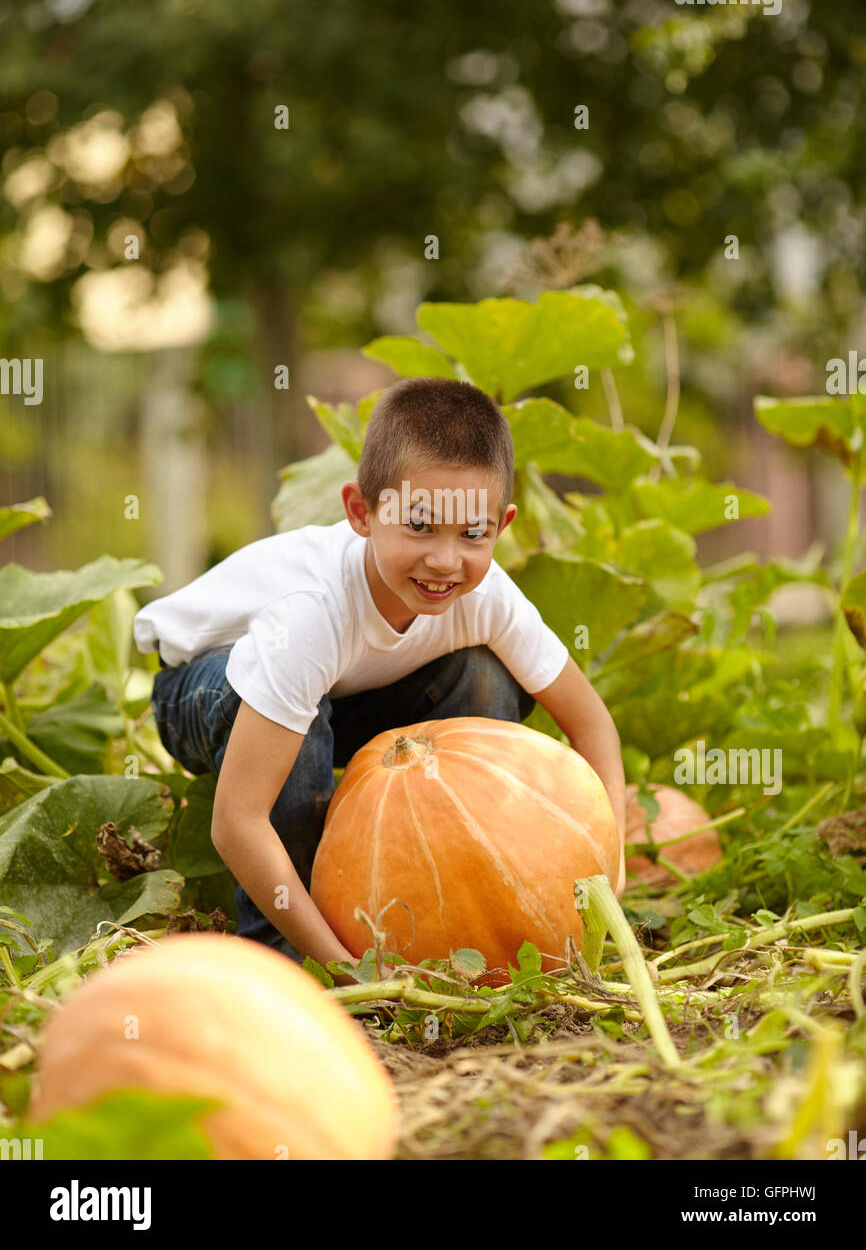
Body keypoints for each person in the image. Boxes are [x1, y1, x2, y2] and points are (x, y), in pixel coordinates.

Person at [134, 377, 626, 982]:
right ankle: (279, 952)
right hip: (203, 689)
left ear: (501, 525)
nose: (446, 561)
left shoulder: (488, 595)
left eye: (472, 535)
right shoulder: (311, 614)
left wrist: (612, 876)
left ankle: (468, 889)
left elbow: (593, 725)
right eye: (419, 527)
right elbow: (237, 822)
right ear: (361, 512)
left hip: (339, 693)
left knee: (481, 678)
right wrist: (347, 970)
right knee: (300, 726)